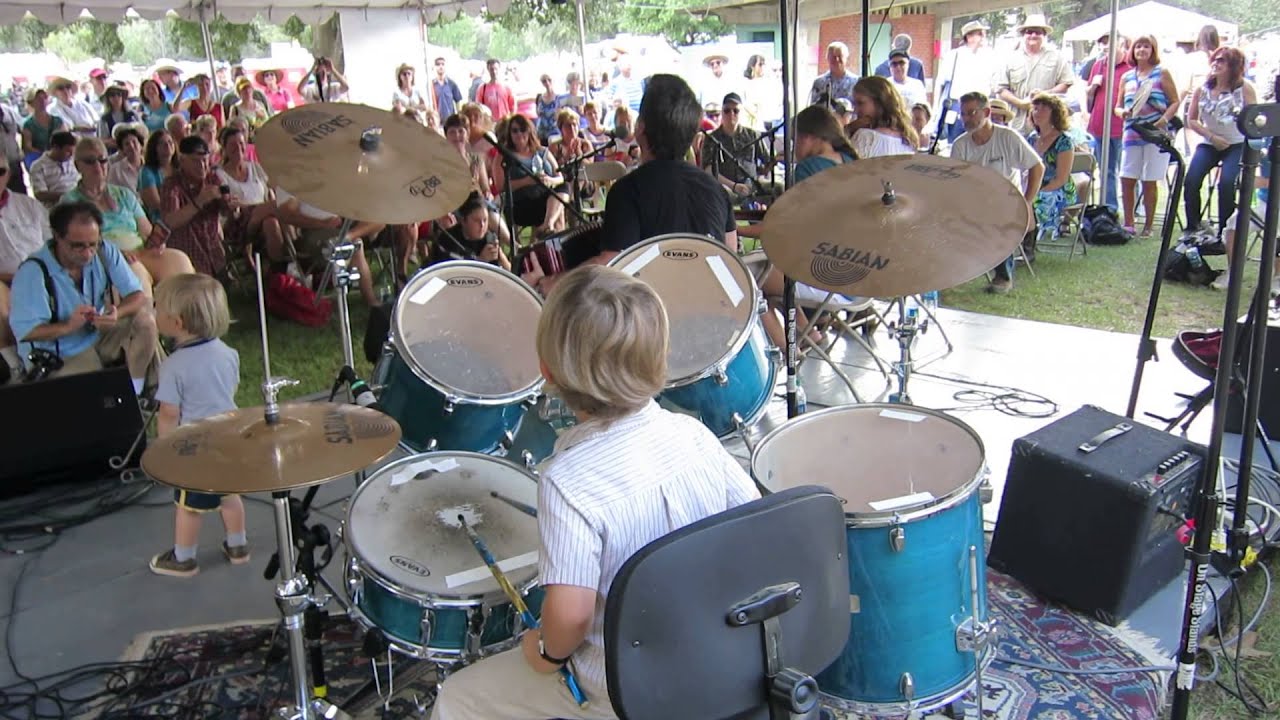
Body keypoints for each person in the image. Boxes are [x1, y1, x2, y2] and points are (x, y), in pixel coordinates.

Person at [430, 264, 759, 720]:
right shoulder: (694, 435)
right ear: (660, 357)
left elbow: (570, 618)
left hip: (624, 691)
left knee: (458, 696)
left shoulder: (567, 481)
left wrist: (544, 653)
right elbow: (756, 525)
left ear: (547, 370)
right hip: (717, 661)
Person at [523, 74, 735, 290]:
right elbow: (731, 260)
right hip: (710, 305)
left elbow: (611, 266)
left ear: (640, 128)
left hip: (652, 308)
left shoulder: (627, 191)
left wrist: (553, 283)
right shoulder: (717, 191)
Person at [148, 273, 248, 578]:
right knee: (229, 496)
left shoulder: (173, 366)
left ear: (177, 322)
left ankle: (184, 558)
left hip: (194, 447)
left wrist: (165, 448)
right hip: (230, 438)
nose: (153, 312)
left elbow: (169, 412)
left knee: (188, 505)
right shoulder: (228, 354)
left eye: (157, 308)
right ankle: (238, 546)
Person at [8, 201, 159, 392]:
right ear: (57, 236)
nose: (88, 254)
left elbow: (137, 295)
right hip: (59, 352)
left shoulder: (104, 250)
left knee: (145, 322)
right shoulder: (33, 272)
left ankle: (136, 393)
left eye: (92, 244)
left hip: (97, 335)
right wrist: (68, 326)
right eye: (77, 246)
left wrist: (116, 314)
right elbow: (26, 332)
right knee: (93, 397)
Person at [61, 137, 194, 298]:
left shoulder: (123, 194)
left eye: (102, 160)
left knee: (180, 262)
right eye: (90, 161)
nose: (97, 166)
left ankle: (184, 311)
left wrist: (157, 242)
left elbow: (147, 231)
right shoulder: (70, 202)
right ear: (77, 166)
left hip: (141, 252)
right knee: (137, 276)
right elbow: (77, 244)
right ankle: (148, 313)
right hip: (107, 258)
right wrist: (115, 253)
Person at [950, 93, 1045, 294]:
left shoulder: (1008, 138)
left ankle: (1003, 276)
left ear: (986, 112)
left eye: (971, 113)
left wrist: (1027, 202)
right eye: (963, 114)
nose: (966, 119)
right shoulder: (960, 144)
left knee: (997, 217)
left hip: (1007, 203)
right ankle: (944, 270)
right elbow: (956, 182)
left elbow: (1037, 167)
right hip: (974, 203)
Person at [1183, 47, 1256, 241]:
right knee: (1191, 179)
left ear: (1233, 66)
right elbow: (1192, 120)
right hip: (1210, 142)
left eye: (1221, 60)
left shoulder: (1245, 88)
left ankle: (1224, 231)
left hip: (1237, 143)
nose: (1216, 63)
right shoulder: (1202, 89)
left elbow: (1254, 119)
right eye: (1215, 59)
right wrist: (1211, 137)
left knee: (1227, 183)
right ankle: (1193, 226)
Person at [1117, 35, 1179, 238]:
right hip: (1132, 131)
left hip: (1155, 133)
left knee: (1149, 180)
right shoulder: (1127, 77)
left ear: (1153, 50)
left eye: (1146, 46)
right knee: (1127, 177)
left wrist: (1163, 120)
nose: (1142, 50)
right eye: (1138, 46)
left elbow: (1175, 101)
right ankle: (1128, 223)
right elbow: (1117, 106)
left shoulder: (1162, 73)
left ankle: (1148, 225)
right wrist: (1122, 112)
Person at [161, 135, 231, 277]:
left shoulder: (213, 179)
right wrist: (199, 201)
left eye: (205, 160)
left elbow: (227, 212)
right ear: (182, 161)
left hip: (215, 255)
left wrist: (229, 205)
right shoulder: (172, 185)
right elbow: (170, 221)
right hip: (188, 259)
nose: (202, 166)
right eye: (195, 161)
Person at [216, 125, 285, 266]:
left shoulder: (255, 167)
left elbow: (271, 191)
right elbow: (229, 205)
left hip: (265, 216)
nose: (238, 147)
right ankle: (288, 261)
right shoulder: (220, 175)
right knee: (274, 208)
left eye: (241, 143)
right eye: (233, 145)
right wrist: (261, 207)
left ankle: (282, 266)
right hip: (238, 221)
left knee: (271, 221)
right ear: (225, 148)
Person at [495, 113, 569, 237]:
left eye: (523, 129)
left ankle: (548, 226)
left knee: (562, 189)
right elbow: (500, 186)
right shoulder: (503, 156)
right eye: (515, 131)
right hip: (521, 204)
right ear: (509, 134)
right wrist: (528, 181)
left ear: (529, 131)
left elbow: (560, 177)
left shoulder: (543, 151)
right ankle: (552, 238)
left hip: (546, 198)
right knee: (557, 212)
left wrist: (549, 180)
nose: (519, 134)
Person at [998, 14, 1073, 134]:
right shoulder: (1010, 57)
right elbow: (1001, 89)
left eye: (1038, 32)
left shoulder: (1057, 57)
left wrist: (1043, 96)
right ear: (1023, 35)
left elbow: (1066, 83)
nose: (1033, 35)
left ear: (1044, 35)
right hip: (1017, 122)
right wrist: (1021, 103)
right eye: (1029, 32)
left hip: (1048, 121)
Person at [1085, 35, 1131, 213]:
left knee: (1127, 171)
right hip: (1099, 125)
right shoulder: (1098, 65)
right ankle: (1110, 208)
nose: (1106, 46)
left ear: (1121, 44)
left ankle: (1132, 209)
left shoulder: (1130, 66)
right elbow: (1089, 99)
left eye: (1110, 42)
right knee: (1106, 170)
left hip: (1123, 127)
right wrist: (1091, 89)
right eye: (1103, 43)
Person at [1028, 93, 1077, 253]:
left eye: (1043, 109)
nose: (1037, 112)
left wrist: (1036, 192)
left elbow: (1061, 178)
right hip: (1034, 184)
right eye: (1035, 108)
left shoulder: (1064, 141)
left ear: (1054, 113)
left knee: (1032, 200)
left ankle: (1028, 244)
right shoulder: (1031, 139)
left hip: (1059, 189)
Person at [934, 21, 999, 143]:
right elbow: (941, 83)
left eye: (983, 34)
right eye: (980, 34)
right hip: (958, 106)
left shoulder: (990, 56)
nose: (983, 37)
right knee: (956, 142)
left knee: (980, 140)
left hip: (981, 105)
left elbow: (994, 83)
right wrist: (936, 110)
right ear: (969, 37)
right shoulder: (954, 55)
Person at [701, 92, 762, 197]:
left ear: (741, 113)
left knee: (779, 187)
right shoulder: (712, 138)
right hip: (725, 187)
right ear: (722, 112)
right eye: (727, 110)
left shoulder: (753, 135)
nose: (731, 114)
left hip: (752, 185)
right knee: (727, 196)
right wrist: (733, 186)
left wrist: (775, 160)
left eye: (736, 111)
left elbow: (766, 162)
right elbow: (708, 169)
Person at [433, 192, 511, 270]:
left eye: (485, 220)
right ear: (463, 220)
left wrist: (501, 257)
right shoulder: (447, 240)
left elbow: (510, 271)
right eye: (476, 220)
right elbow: (450, 272)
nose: (482, 225)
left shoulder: (489, 239)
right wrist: (481, 260)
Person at [849, 77, 918, 158]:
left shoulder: (866, 137)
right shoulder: (908, 138)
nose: (856, 110)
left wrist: (848, 130)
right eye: (854, 104)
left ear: (879, 103)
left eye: (860, 103)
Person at [30, 131, 79, 207]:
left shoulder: (73, 161)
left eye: (73, 151)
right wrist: (67, 196)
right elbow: (40, 194)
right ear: (56, 148)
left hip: (78, 203)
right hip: (55, 207)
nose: (71, 155)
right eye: (68, 151)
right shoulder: (38, 166)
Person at [21, 88, 65, 168]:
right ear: (31, 103)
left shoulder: (57, 121)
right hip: (39, 160)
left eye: (45, 98)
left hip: (58, 159)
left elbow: (65, 140)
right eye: (38, 99)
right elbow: (27, 147)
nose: (42, 101)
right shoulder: (28, 125)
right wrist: (45, 155)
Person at [138, 129, 176, 222]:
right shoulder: (147, 172)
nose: (167, 145)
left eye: (170, 142)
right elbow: (154, 204)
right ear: (154, 148)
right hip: (161, 219)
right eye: (162, 143)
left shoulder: (180, 166)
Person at [809, 41, 857, 110]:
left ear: (846, 58)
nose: (837, 59)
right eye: (833, 57)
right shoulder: (819, 82)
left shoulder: (856, 82)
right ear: (827, 58)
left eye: (840, 56)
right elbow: (813, 108)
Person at [107, 123, 146, 193]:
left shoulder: (151, 164)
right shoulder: (116, 170)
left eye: (134, 142)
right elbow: (112, 193)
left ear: (141, 145)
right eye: (127, 144)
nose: (131, 146)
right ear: (122, 149)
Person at [0, 98, 24, 194]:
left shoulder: (8, 111)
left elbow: (23, 127)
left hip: (14, 162)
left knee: (19, 196)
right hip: (1, 167)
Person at [535, 74, 560, 144]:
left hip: (554, 131)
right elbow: (538, 113)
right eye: (544, 81)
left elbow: (559, 115)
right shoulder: (540, 97)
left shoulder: (559, 97)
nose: (547, 83)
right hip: (541, 131)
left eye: (549, 80)